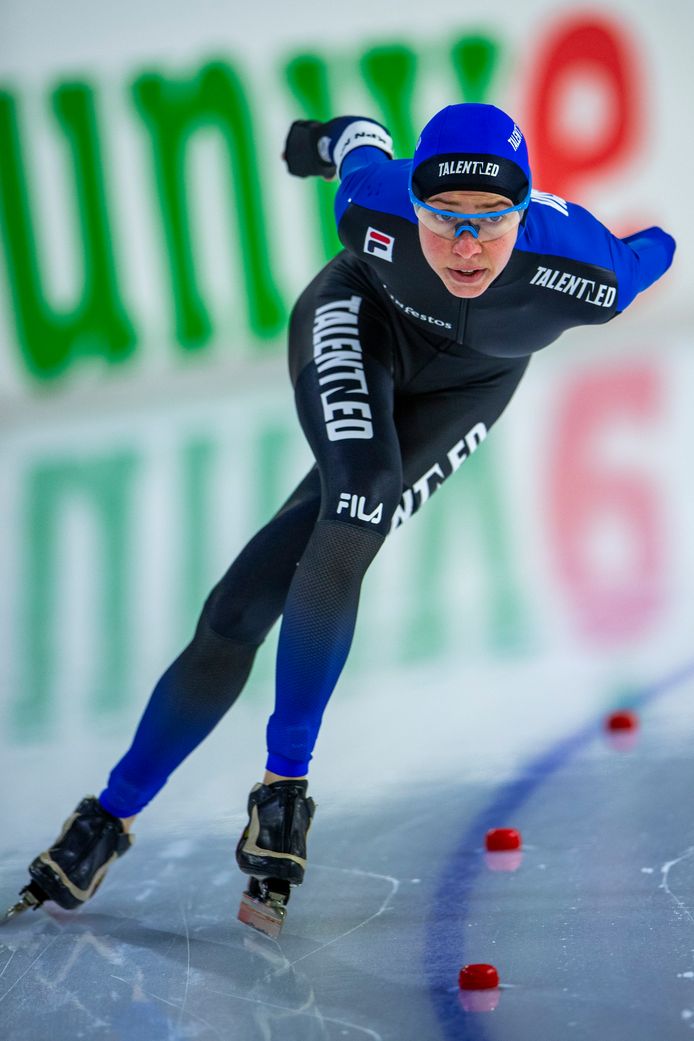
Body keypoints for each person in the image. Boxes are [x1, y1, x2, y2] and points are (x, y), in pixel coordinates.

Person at [5, 103, 675, 927]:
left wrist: (653, 248)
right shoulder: (372, 204)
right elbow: (358, 138)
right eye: (444, 221)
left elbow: (656, 250)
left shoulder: (586, 274)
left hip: (471, 388)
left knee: (242, 608)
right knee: (359, 488)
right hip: (359, 321)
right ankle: (282, 791)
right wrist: (312, 139)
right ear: (414, 206)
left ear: (526, 210)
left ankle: (107, 818)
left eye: (491, 224)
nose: (466, 246)